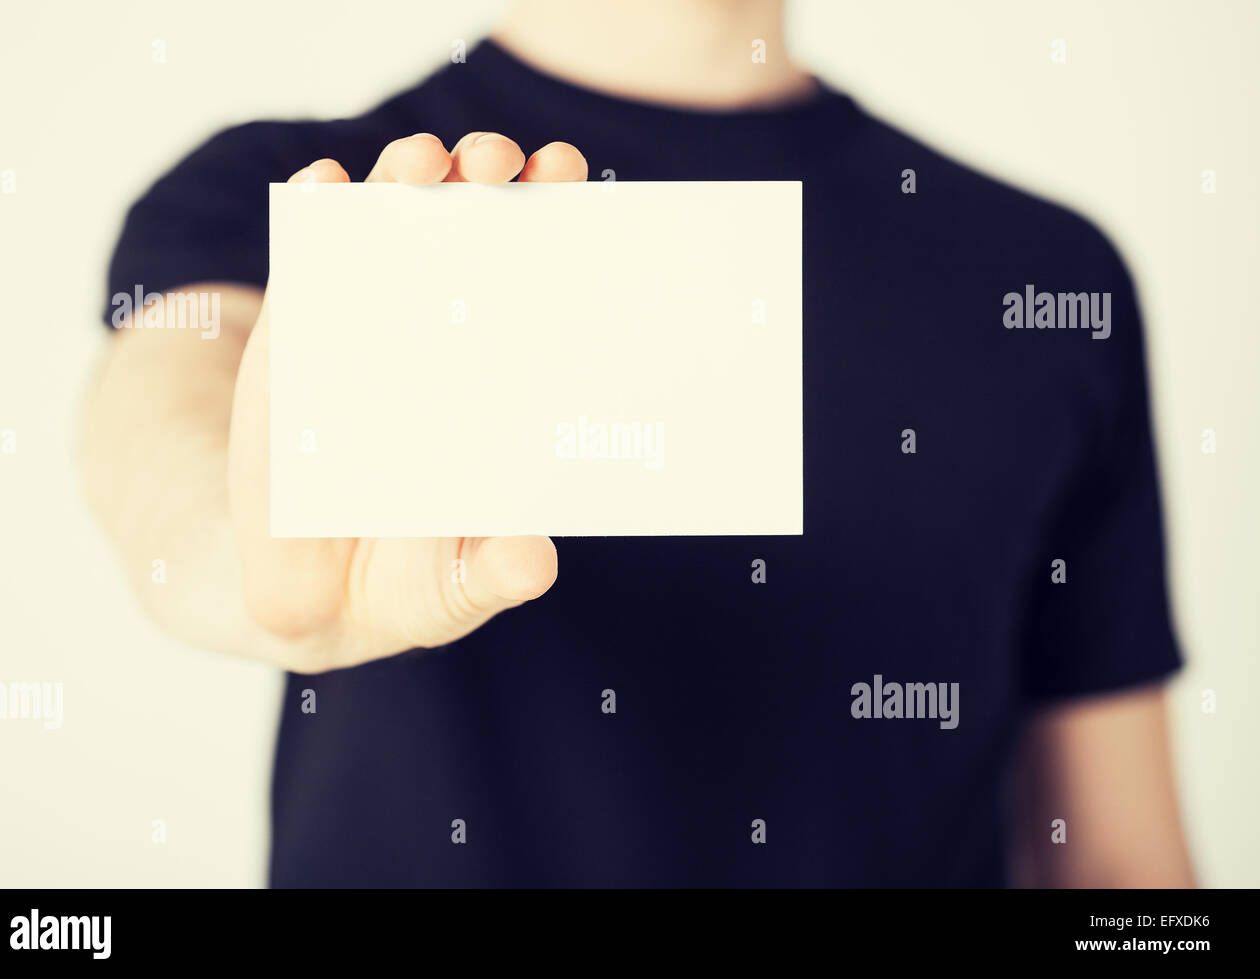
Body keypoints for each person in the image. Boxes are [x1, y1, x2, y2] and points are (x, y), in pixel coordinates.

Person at [81, 0, 1195, 887]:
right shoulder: (294, 196)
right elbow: (175, 403)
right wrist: (248, 556)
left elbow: (1116, 862)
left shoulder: (1044, 278)